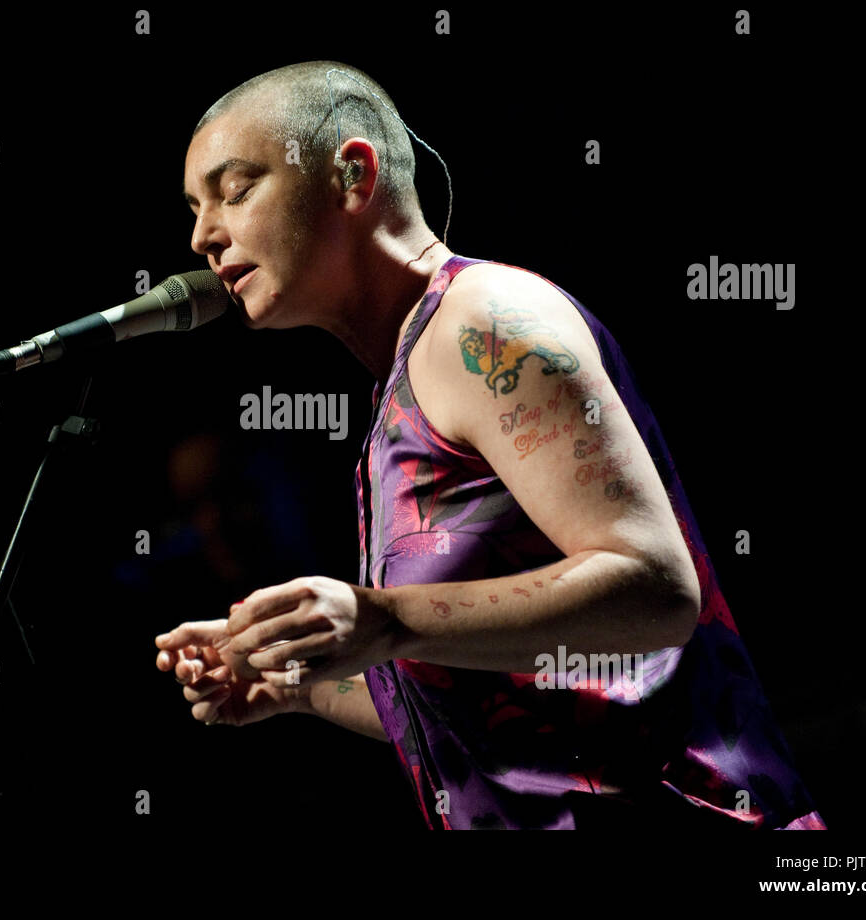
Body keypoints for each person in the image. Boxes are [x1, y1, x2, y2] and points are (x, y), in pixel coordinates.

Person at [155, 60, 825, 830]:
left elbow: (656, 590)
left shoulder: (484, 324)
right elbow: (510, 689)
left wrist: (381, 618)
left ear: (351, 174)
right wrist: (299, 683)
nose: (203, 235)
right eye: (196, 207)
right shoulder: (402, 383)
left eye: (235, 191)